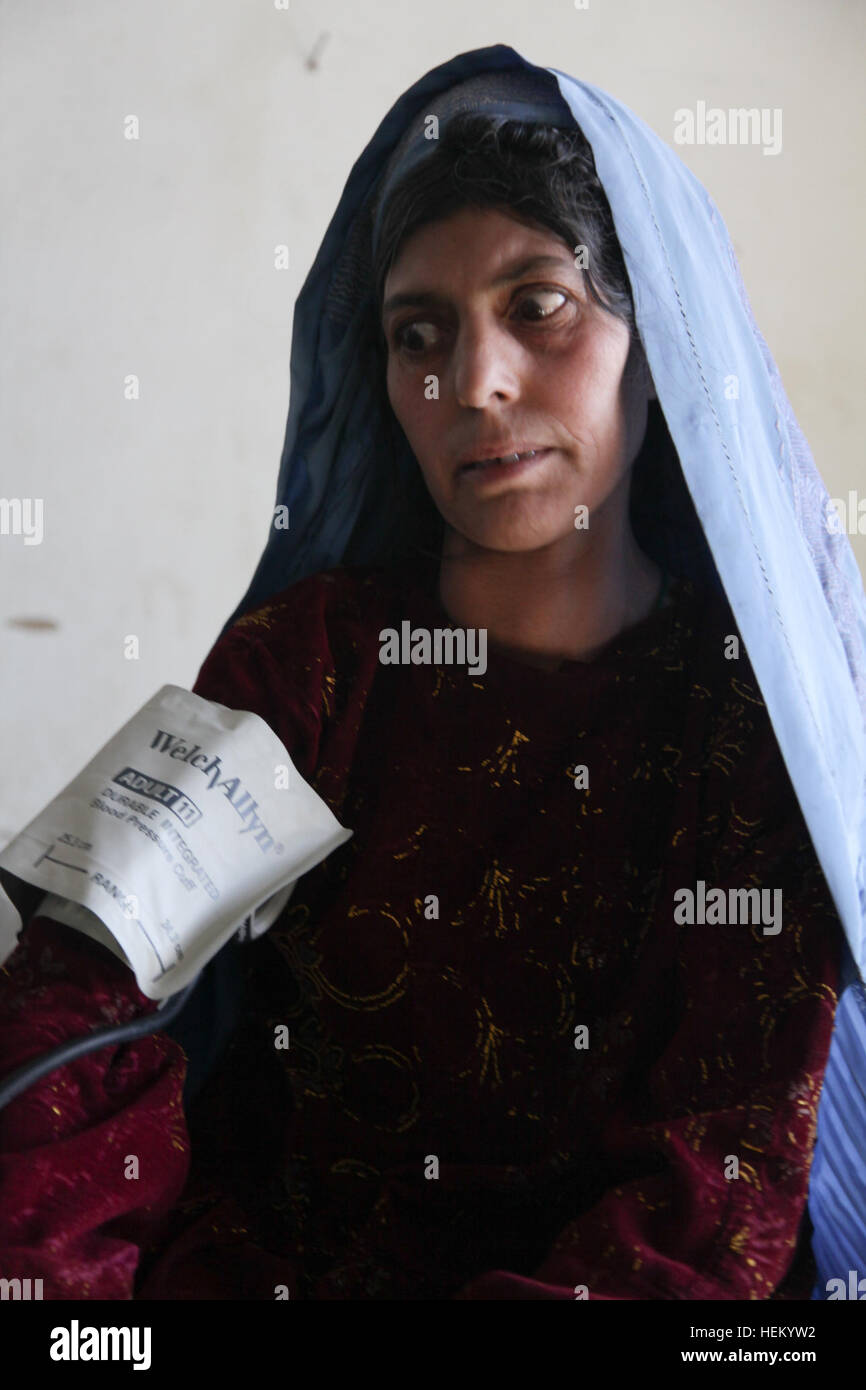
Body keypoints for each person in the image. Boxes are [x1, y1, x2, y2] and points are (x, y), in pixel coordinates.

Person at [1, 46, 864, 1301]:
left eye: (538, 304)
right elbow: (76, 1010)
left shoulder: (744, 718)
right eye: (420, 332)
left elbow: (713, 1181)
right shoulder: (302, 665)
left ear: (655, 335)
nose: (474, 384)